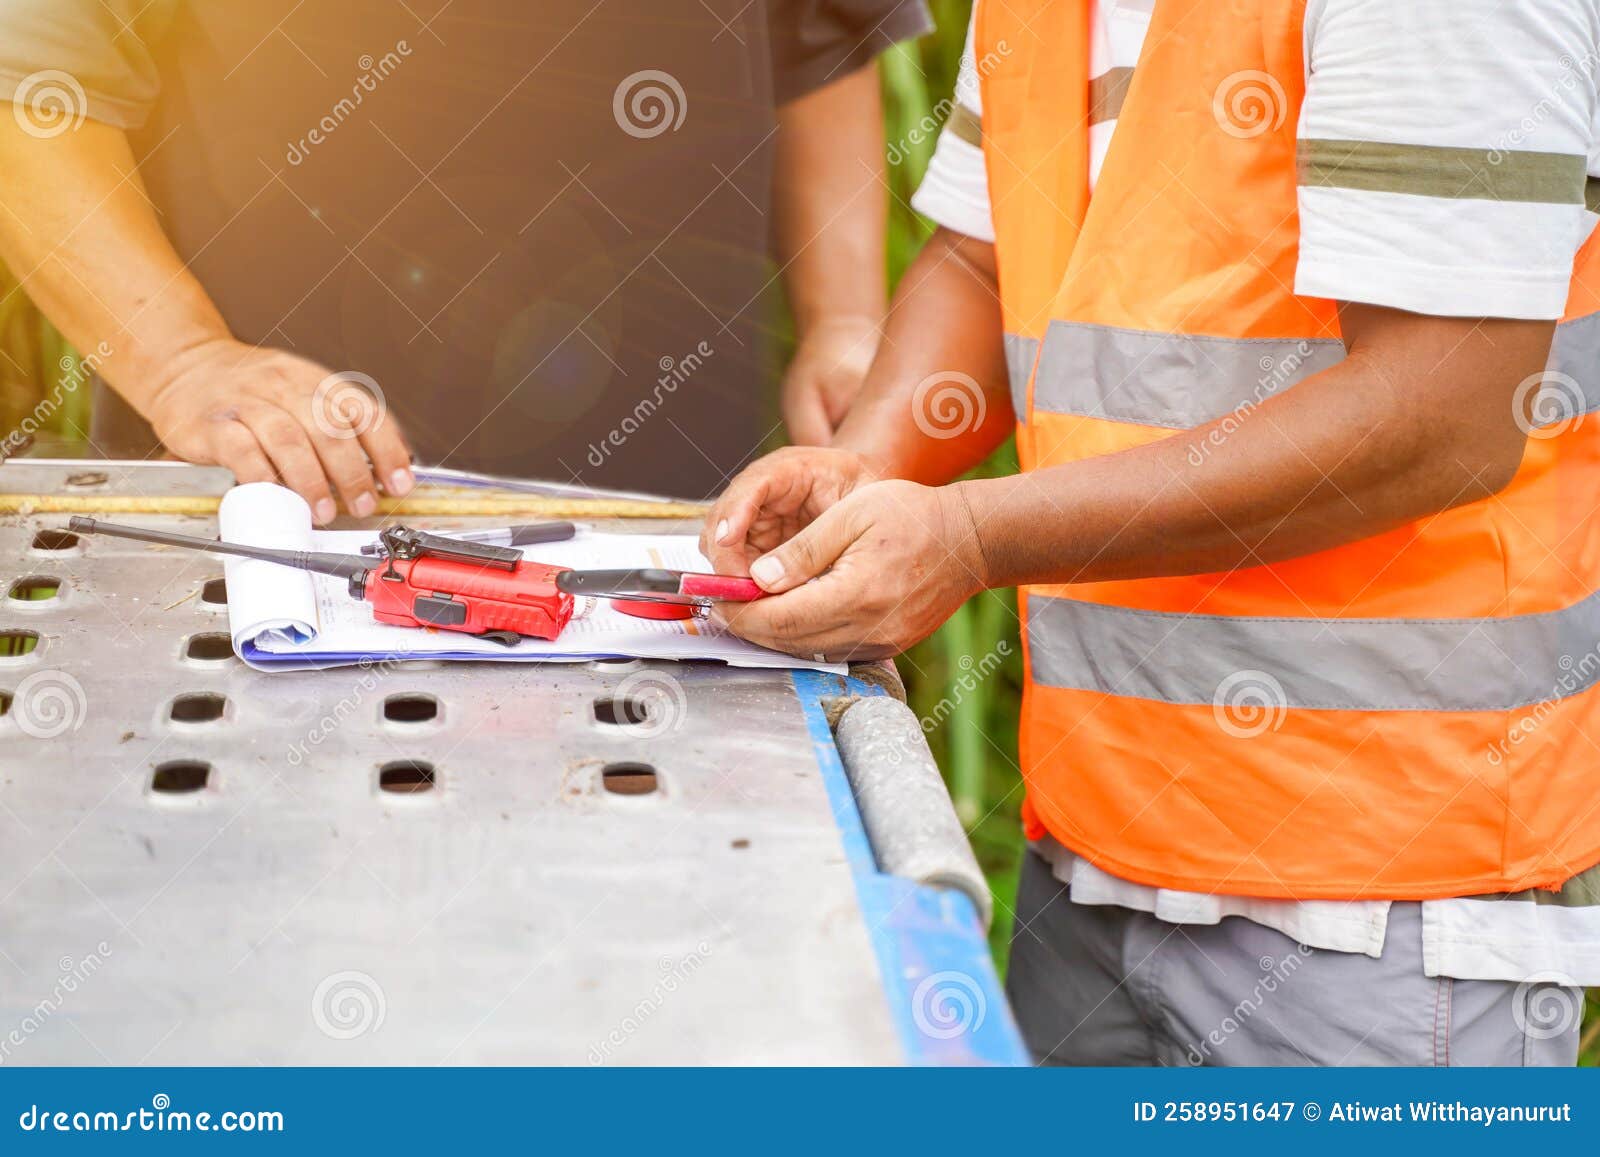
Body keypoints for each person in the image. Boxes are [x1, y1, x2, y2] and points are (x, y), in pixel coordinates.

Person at [704, 0, 1600, 1065]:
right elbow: (984, 258)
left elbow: (1441, 412)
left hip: (1385, 895)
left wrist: (971, 536)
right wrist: (871, 462)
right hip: (1094, 844)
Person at [0, 0, 930, 519]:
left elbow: (820, 34)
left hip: (678, 512)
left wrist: (846, 322)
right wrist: (183, 361)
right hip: (270, 503)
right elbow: (36, 74)